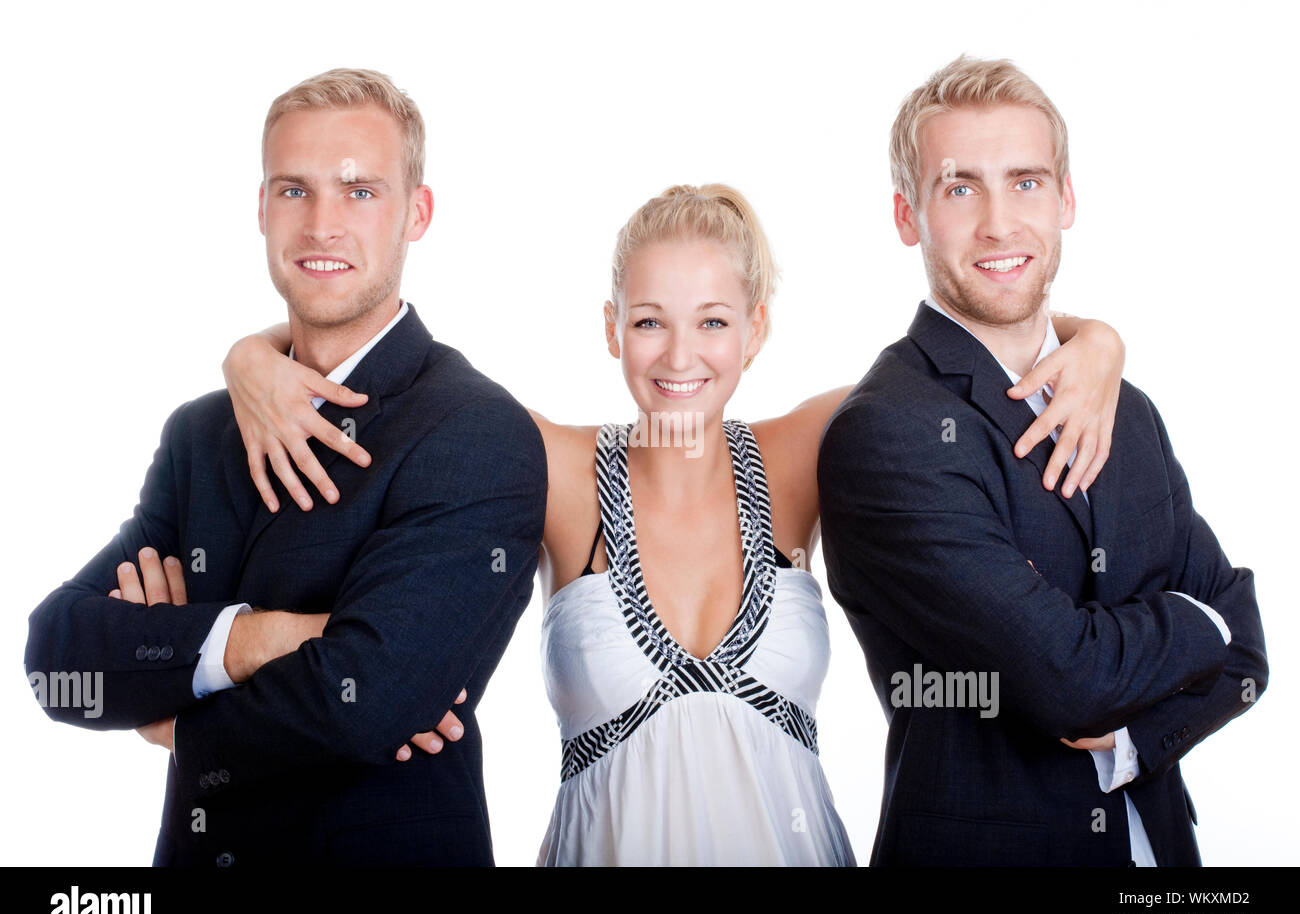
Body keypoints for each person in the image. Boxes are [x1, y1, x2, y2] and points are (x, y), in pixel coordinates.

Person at [223, 176, 1128, 864]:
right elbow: (392, 385)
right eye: (651, 322)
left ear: (756, 329)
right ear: (611, 327)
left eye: (713, 322)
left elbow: (974, 368)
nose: (681, 356)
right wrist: (246, 358)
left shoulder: (808, 452)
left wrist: (1100, 342)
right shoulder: (554, 465)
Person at [25, 68, 547, 866]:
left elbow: (370, 700)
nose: (321, 225)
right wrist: (252, 639)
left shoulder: (475, 428)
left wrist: (169, 708)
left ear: (417, 212)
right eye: (294, 191)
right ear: (261, 207)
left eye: (359, 192)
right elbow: (58, 661)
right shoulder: (201, 433)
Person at [817, 55, 1268, 866]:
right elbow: (1067, 677)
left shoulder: (1124, 408)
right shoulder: (890, 429)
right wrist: (1200, 620)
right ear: (907, 214)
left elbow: (1249, 654)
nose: (999, 223)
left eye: (1025, 182)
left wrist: (1131, 740)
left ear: (1066, 199)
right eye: (960, 188)